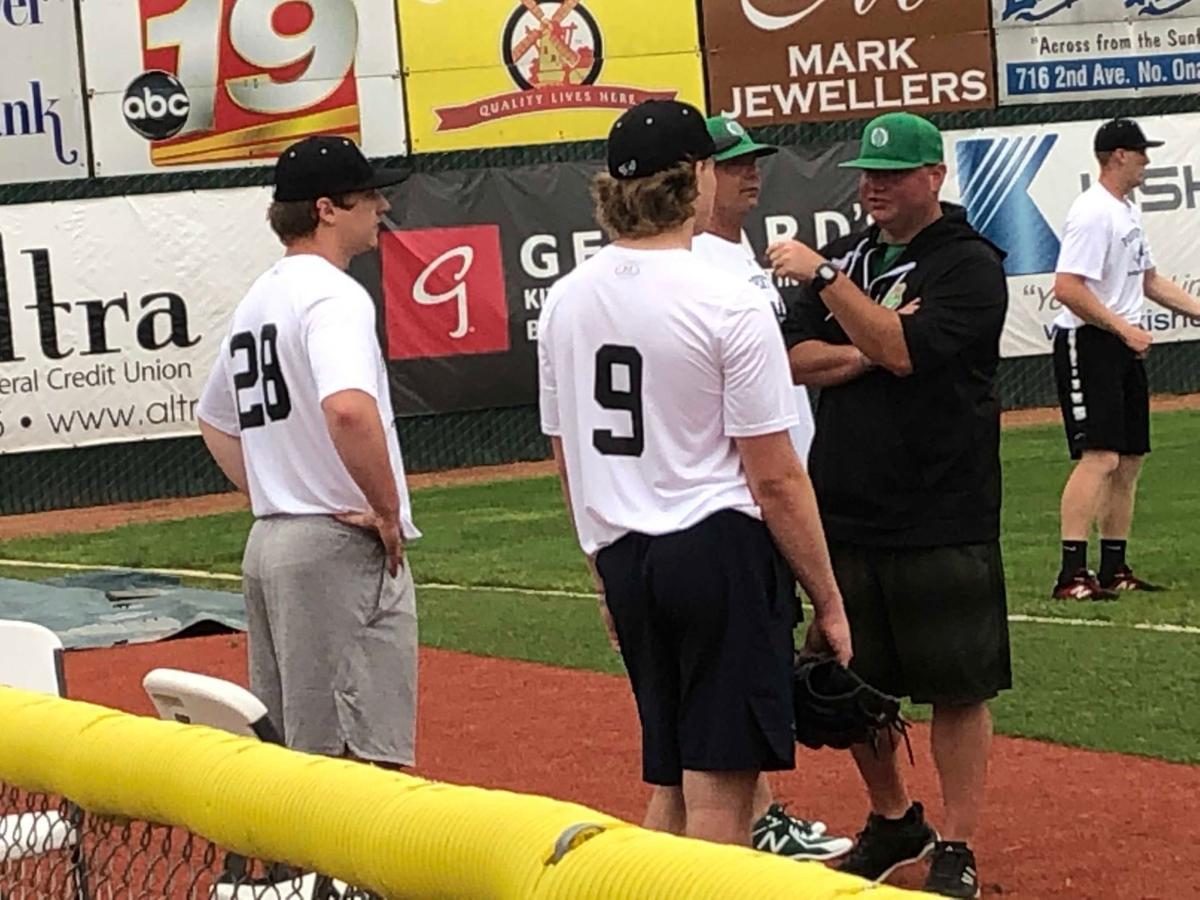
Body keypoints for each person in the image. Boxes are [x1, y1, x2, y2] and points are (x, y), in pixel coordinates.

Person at [537, 98, 852, 848]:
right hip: (717, 549)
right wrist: (830, 600)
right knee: (721, 798)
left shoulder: (565, 300)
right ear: (697, 179)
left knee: (675, 781)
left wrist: (600, 569)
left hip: (626, 553)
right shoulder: (727, 299)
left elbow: (567, 455)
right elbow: (774, 476)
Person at [767, 111, 1010, 899]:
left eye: (892, 174)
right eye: (867, 175)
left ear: (933, 177)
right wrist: (872, 345)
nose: (873, 187)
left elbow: (909, 350)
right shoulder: (850, 255)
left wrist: (837, 294)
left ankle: (960, 845)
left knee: (955, 685)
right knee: (846, 681)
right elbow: (797, 360)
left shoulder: (968, 263)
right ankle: (895, 818)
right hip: (847, 505)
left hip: (943, 505)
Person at [196, 135, 420, 768]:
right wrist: (384, 509)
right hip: (333, 546)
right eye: (369, 195)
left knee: (294, 750)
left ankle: (295, 873)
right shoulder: (332, 294)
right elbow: (348, 408)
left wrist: (275, 489)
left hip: (273, 544)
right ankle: (342, 875)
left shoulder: (257, 299)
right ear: (326, 209)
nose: (380, 206)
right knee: (356, 756)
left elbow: (215, 423)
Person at [691, 114, 849, 862]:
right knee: (746, 670)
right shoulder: (701, 263)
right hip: (746, 495)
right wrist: (876, 352)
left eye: (754, 161)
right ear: (696, 175)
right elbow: (776, 370)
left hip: (772, 478)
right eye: (732, 164)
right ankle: (754, 819)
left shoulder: (741, 253)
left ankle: (758, 812)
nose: (750, 173)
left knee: (756, 662)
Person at [1050, 118, 1200, 600]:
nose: (1147, 162)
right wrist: (1121, 328)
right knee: (1101, 455)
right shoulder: (1094, 212)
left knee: (1129, 459)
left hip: (1120, 345)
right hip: (1090, 341)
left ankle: (1114, 566)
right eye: (1140, 153)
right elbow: (1067, 287)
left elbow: (1149, 280)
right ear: (1118, 155)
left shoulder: (1125, 211)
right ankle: (1071, 573)